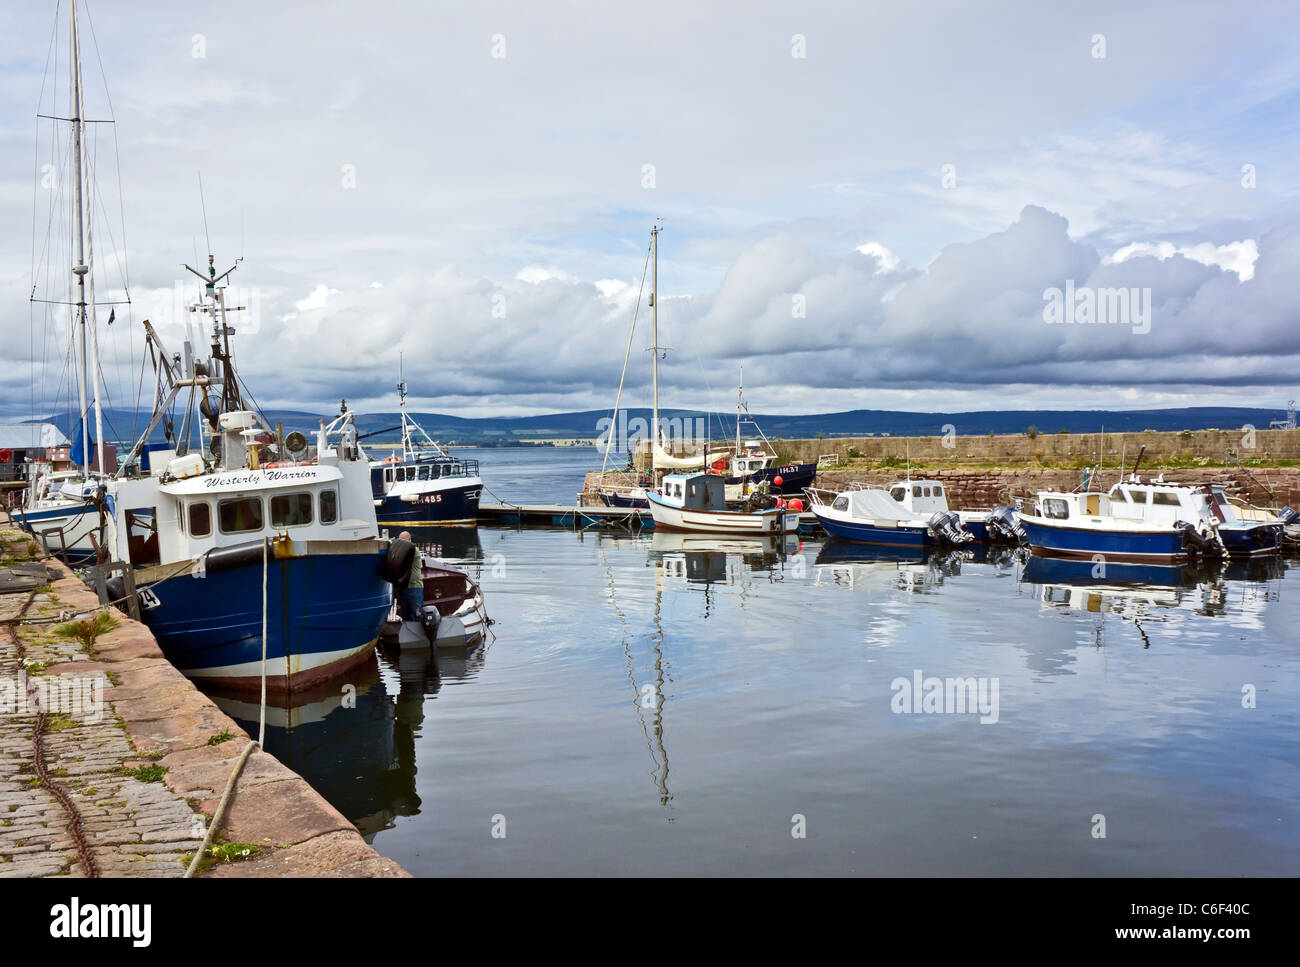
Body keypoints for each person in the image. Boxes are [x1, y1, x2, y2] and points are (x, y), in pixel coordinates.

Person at [398, 531, 424, 621]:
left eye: (404, 541)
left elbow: (402, 556)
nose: (402, 544)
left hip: (414, 587)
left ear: (410, 540)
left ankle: (421, 633)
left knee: (418, 615)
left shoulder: (414, 550)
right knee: (405, 617)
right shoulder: (399, 551)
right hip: (403, 588)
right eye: (400, 541)